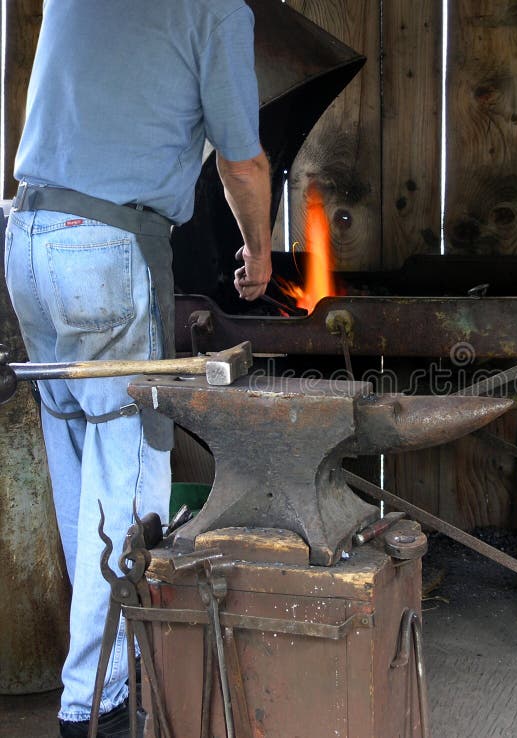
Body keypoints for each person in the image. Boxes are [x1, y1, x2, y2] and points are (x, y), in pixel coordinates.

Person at [3, 2, 271, 736]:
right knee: (129, 478)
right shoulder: (215, 10)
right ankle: (99, 706)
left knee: (82, 473)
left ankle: (99, 682)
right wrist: (260, 249)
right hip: (106, 250)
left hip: (27, 237)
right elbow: (241, 161)